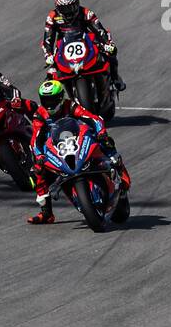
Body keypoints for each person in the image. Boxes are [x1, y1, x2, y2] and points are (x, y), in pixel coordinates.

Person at [23, 80, 130, 225]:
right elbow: (35, 139)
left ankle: (118, 168)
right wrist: (39, 155)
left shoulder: (70, 105)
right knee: (37, 170)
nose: (49, 103)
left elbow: (93, 118)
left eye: (52, 99)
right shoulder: (40, 115)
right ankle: (46, 213)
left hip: (78, 139)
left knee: (105, 141)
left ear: (61, 97)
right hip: (56, 148)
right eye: (45, 100)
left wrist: (101, 131)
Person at [43, 0, 126, 92]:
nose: (69, 12)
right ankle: (58, 102)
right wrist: (48, 54)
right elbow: (48, 38)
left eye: (71, 7)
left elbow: (99, 30)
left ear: (77, 4)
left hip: (86, 39)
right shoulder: (52, 17)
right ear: (58, 7)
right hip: (64, 44)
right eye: (65, 9)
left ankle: (115, 77)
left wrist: (107, 43)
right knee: (51, 73)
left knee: (110, 52)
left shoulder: (86, 13)